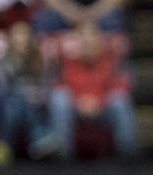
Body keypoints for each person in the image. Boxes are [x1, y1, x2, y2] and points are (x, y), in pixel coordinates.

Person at [50, 22, 138, 160]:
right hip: (77, 109)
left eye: (91, 37)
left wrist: (99, 102)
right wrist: (79, 102)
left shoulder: (112, 60)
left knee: (120, 101)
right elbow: (58, 86)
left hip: (103, 109)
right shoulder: (68, 62)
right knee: (59, 99)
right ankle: (63, 157)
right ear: (78, 43)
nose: (88, 41)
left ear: (99, 40)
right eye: (84, 39)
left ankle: (128, 158)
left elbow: (122, 86)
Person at [0, 21, 57, 165]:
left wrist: (32, 96)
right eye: (17, 35)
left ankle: (3, 144)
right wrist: (23, 94)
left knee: (21, 103)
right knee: (16, 101)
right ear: (11, 39)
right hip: (6, 104)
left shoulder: (40, 60)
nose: (21, 38)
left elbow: (46, 89)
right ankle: (39, 138)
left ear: (31, 38)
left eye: (24, 34)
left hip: (35, 104)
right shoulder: (2, 60)